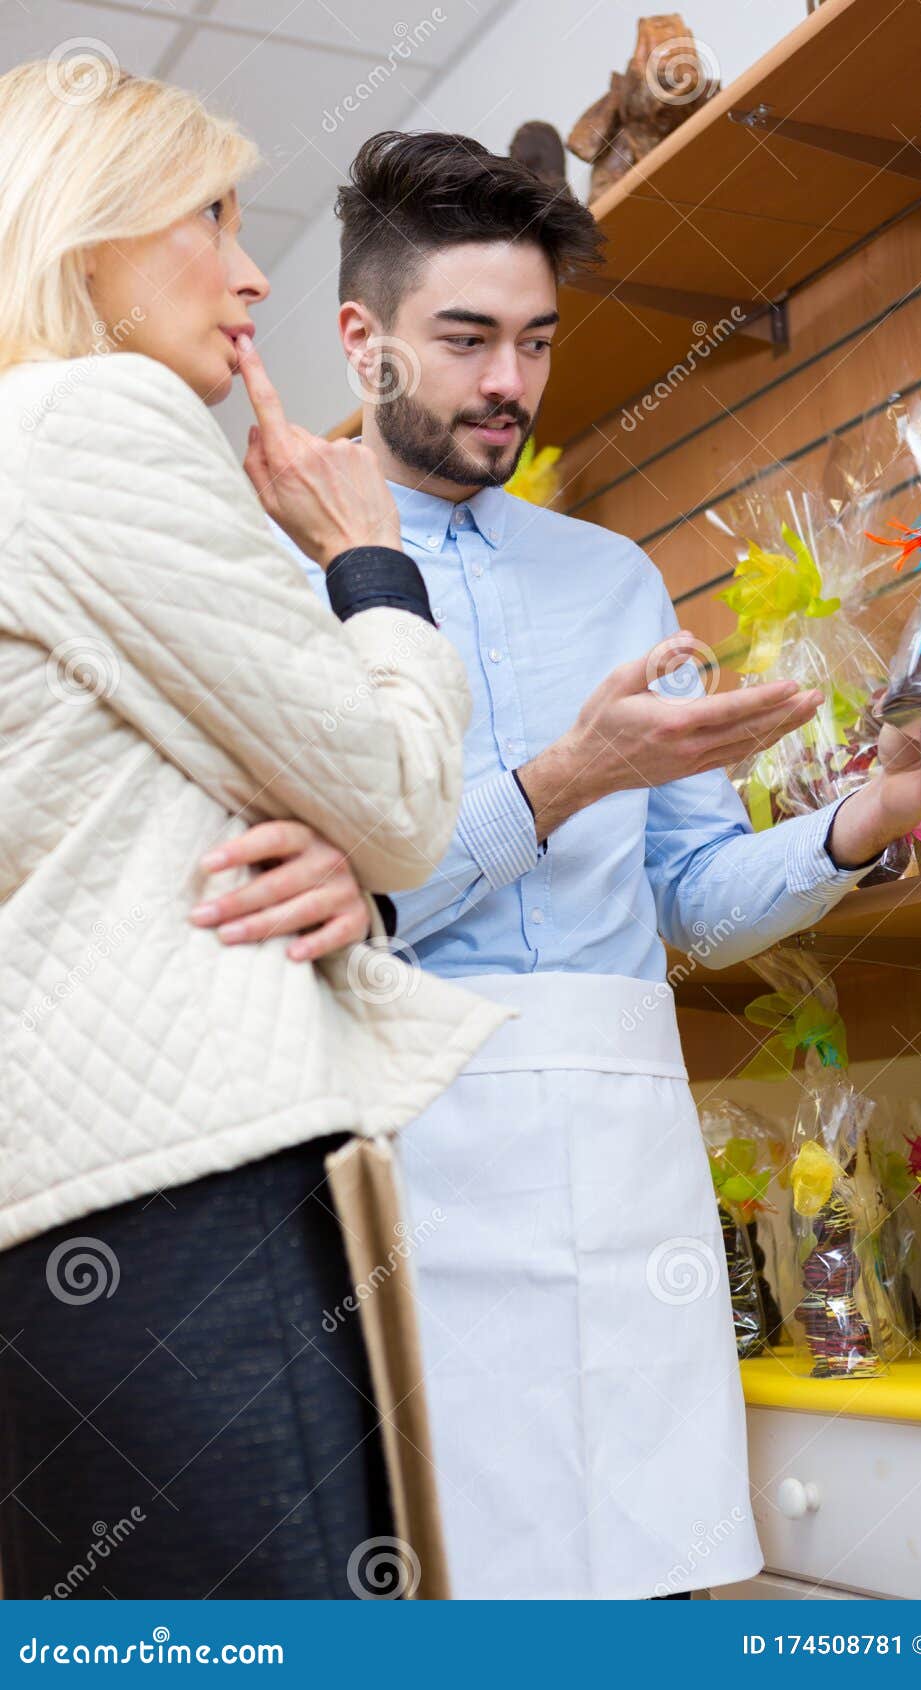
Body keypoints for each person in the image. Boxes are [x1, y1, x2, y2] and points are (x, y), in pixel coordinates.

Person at [213, 133, 921, 1600]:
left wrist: (879, 810)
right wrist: (569, 774)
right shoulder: (274, 579)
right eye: (464, 339)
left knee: (651, 1576)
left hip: (627, 1134)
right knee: (452, 1576)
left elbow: (698, 904)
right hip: (409, 1136)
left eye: (534, 339)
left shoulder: (614, 579)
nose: (509, 383)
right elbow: (339, 901)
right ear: (364, 337)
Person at [0, 66, 509, 1599]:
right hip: (175, 1191)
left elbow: (120, 797)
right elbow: (404, 801)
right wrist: (366, 558)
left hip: (69, 1209)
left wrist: (336, 867)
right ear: (81, 243)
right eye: (206, 218)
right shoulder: (94, 419)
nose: (251, 268)